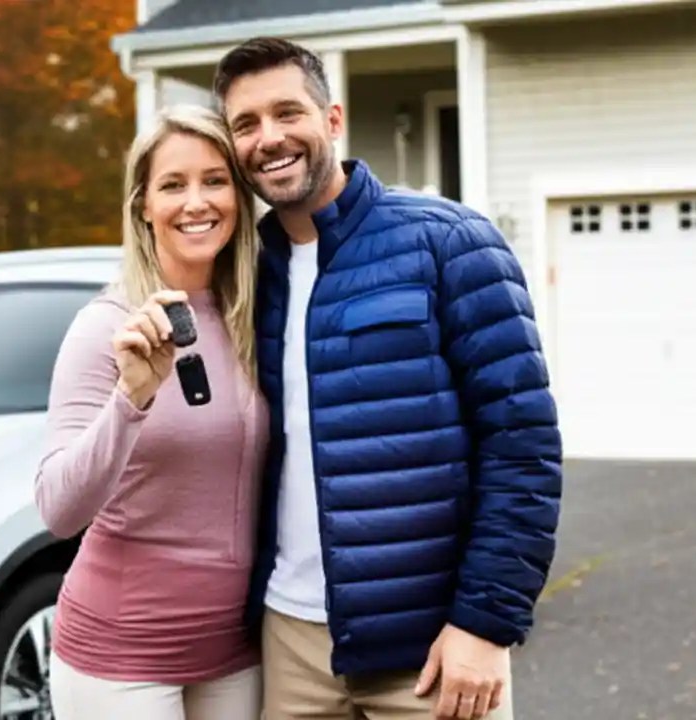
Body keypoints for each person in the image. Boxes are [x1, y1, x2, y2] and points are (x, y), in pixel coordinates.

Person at [211, 37, 564, 720]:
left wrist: (486, 623)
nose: (270, 137)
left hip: (432, 649)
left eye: (288, 113)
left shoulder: (449, 241)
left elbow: (522, 446)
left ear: (333, 120)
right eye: (246, 124)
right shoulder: (246, 274)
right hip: (290, 644)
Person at [34, 104, 269, 719]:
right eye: (173, 184)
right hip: (121, 655)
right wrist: (130, 399)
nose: (197, 202)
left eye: (215, 180)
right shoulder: (107, 327)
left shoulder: (256, 319)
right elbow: (59, 509)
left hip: (234, 650)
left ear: (239, 198)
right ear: (143, 204)